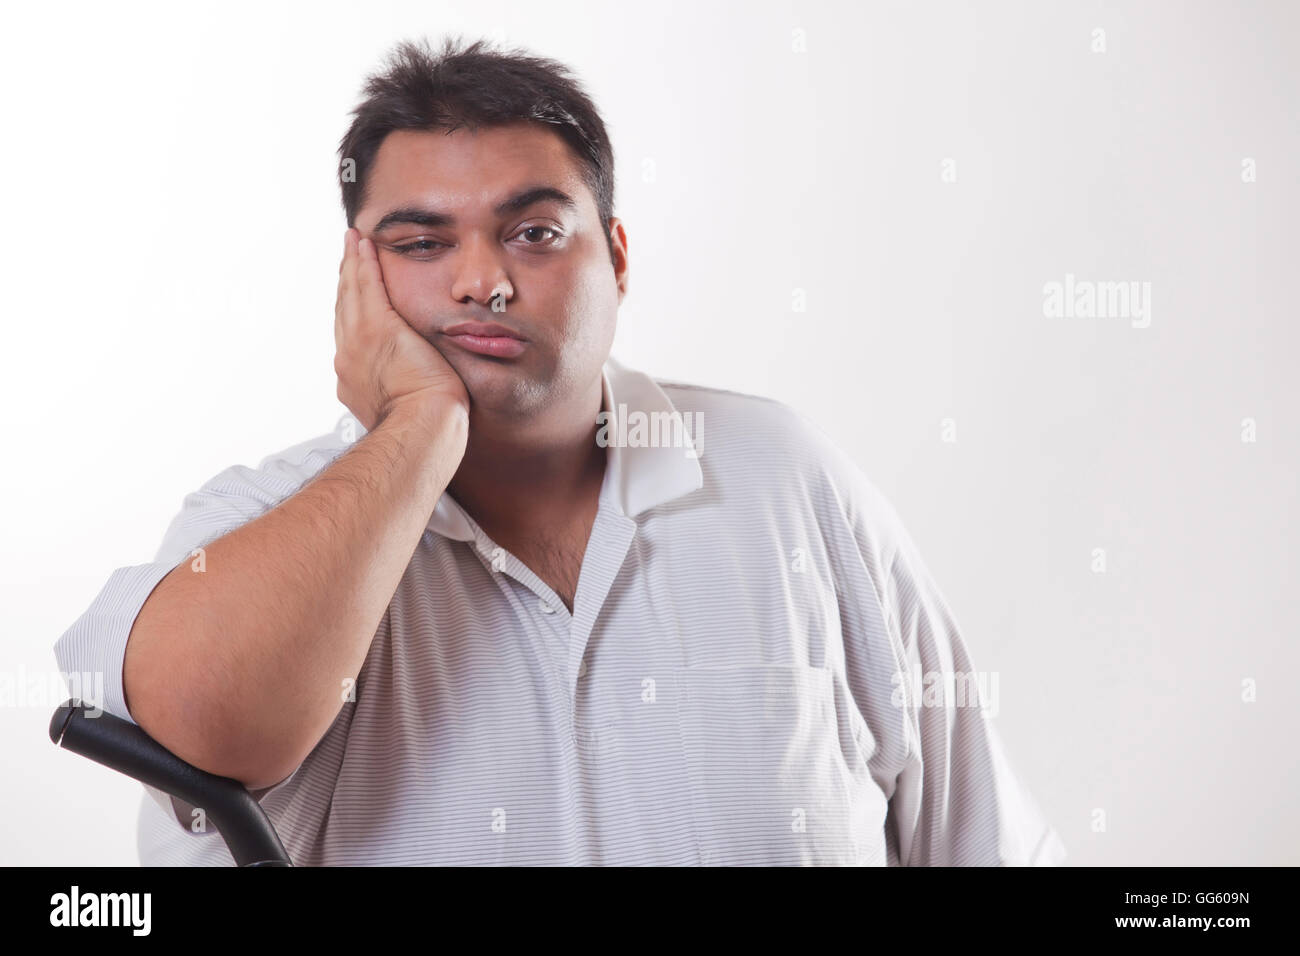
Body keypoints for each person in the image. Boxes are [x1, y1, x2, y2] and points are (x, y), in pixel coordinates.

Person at [54, 35, 1065, 866]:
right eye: (420, 243)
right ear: (353, 281)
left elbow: (986, 843)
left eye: (533, 233)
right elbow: (212, 719)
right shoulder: (254, 522)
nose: (483, 281)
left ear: (616, 257)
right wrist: (419, 427)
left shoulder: (784, 478)